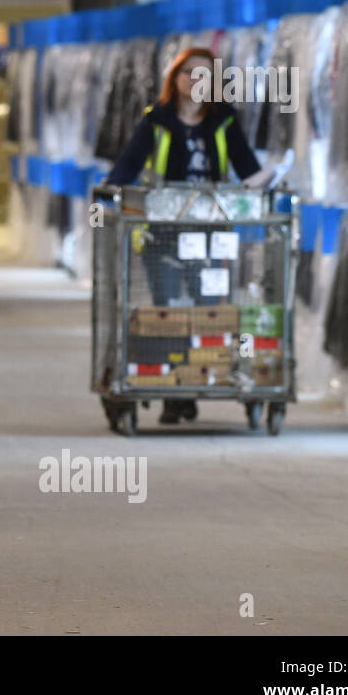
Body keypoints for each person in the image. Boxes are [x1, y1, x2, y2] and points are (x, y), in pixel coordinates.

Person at [106, 47, 272, 423]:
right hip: (160, 232)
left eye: (204, 75)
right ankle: (173, 393)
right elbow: (130, 162)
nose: (195, 81)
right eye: (188, 73)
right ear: (175, 79)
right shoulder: (157, 120)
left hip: (211, 232)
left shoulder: (225, 121)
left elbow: (247, 167)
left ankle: (201, 377)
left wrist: (268, 179)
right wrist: (109, 192)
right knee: (166, 308)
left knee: (208, 307)